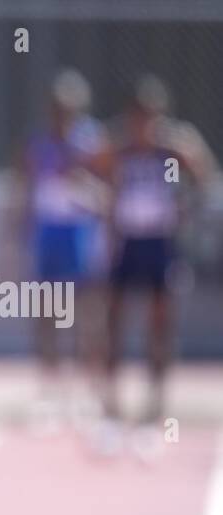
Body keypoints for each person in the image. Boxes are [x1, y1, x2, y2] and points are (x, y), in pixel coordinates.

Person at [98, 75, 215, 446]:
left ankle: (155, 407)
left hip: (160, 244)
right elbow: (91, 168)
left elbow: (204, 176)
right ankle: (112, 406)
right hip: (128, 243)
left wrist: (186, 207)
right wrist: (107, 206)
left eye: (152, 116)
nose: (144, 123)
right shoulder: (120, 147)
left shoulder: (173, 149)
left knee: (159, 326)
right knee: (113, 322)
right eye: (139, 115)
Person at [9, 70, 108, 426]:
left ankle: (87, 394)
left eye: (69, 109)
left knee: (87, 316)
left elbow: (108, 191)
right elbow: (22, 190)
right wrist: (16, 232)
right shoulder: (37, 144)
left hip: (80, 233)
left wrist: (88, 188)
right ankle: (50, 393)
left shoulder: (94, 142)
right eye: (56, 108)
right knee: (47, 315)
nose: (62, 115)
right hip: (48, 234)